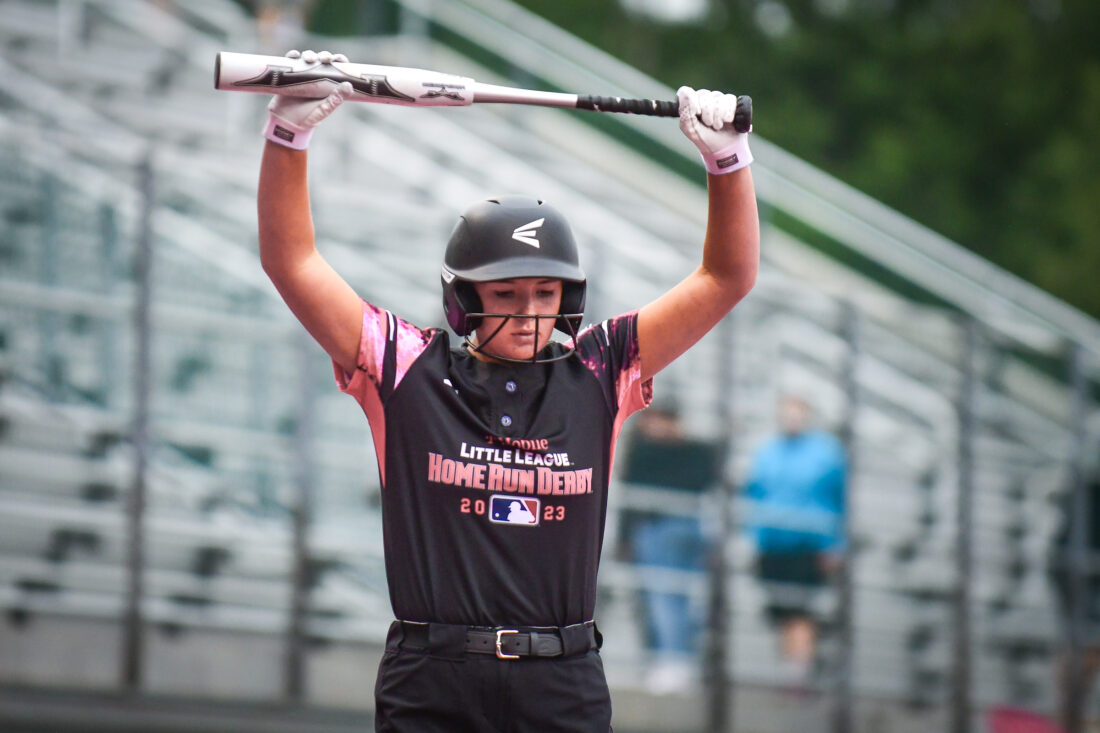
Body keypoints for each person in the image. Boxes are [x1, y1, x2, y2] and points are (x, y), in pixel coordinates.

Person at [256, 49, 759, 732]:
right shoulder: (403, 365)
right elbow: (293, 260)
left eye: (546, 291)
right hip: (430, 678)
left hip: (563, 679)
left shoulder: (601, 369)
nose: (529, 310)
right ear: (462, 298)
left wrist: (728, 163)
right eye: (506, 293)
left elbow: (726, 277)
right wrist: (290, 135)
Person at [743, 393, 847, 687]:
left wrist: (835, 545)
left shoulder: (827, 453)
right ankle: (796, 668)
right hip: (774, 544)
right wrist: (754, 540)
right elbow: (755, 496)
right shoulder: (767, 451)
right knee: (782, 611)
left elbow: (839, 499)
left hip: (809, 544)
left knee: (801, 611)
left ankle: (798, 672)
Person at [618, 403, 721, 694]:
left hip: (678, 527)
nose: (656, 427)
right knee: (662, 599)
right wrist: (624, 539)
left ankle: (675, 663)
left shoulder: (690, 451)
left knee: (670, 598)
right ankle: (670, 661)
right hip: (655, 529)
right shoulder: (645, 450)